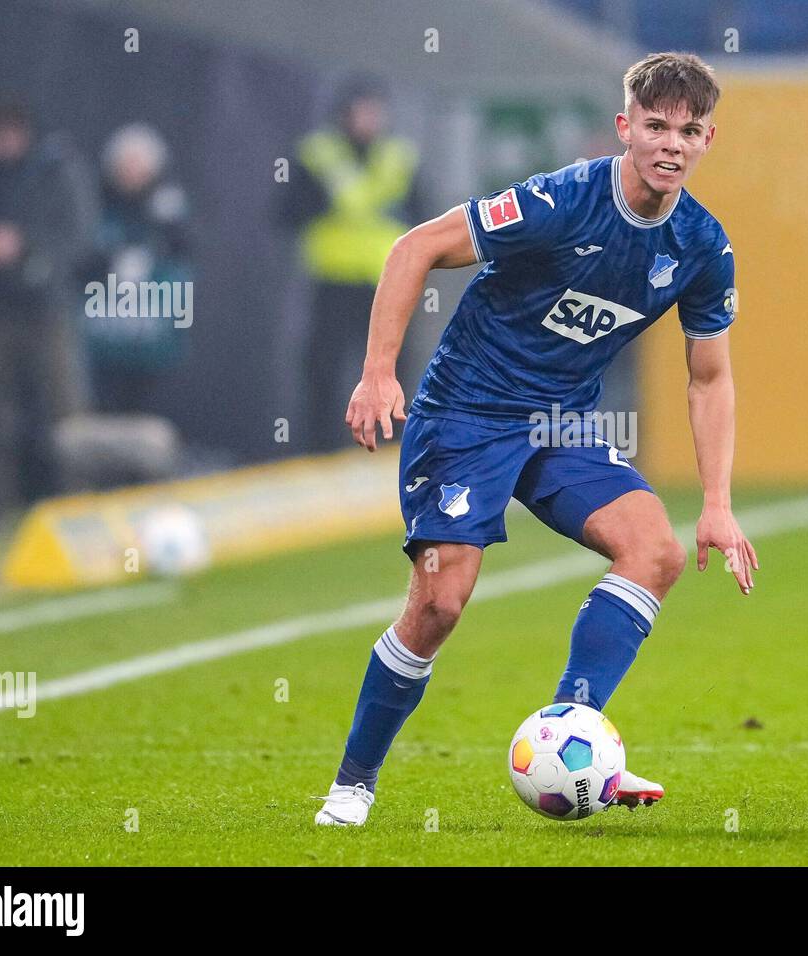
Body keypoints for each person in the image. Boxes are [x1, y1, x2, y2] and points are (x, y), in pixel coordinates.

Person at [314, 52, 757, 826]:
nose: (671, 144)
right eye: (656, 126)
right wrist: (379, 373)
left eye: (689, 131)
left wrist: (716, 503)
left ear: (708, 139)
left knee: (655, 552)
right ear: (626, 129)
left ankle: (571, 736)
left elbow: (710, 378)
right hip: (466, 412)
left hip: (562, 423)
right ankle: (353, 783)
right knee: (440, 604)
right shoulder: (560, 201)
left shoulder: (702, 247)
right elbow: (413, 246)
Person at [0, 95, 95, 530]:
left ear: (27, 132)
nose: (4, 142)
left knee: (65, 411)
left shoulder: (56, 170)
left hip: (45, 311)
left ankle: (76, 506)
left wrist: (26, 245)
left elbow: (77, 236)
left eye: (11, 133)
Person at [280, 77, 419, 454]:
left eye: (376, 112)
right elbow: (287, 211)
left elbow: (423, 216)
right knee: (323, 367)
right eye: (362, 111)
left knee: (390, 366)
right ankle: (321, 447)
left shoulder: (399, 157)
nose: (369, 120)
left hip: (386, 281)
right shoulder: (318, 155)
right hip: (333, 278)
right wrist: (325, 203)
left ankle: (391, 445)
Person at [82, 123, 192, 413]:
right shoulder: (94, 205)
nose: (132, 173)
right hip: (101, 335)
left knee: (143, 407)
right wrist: (109, 264)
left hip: (149, 338)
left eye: (139, 166)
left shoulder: (168, 208)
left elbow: (185, 253)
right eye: (125, 165)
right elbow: (77, 257)